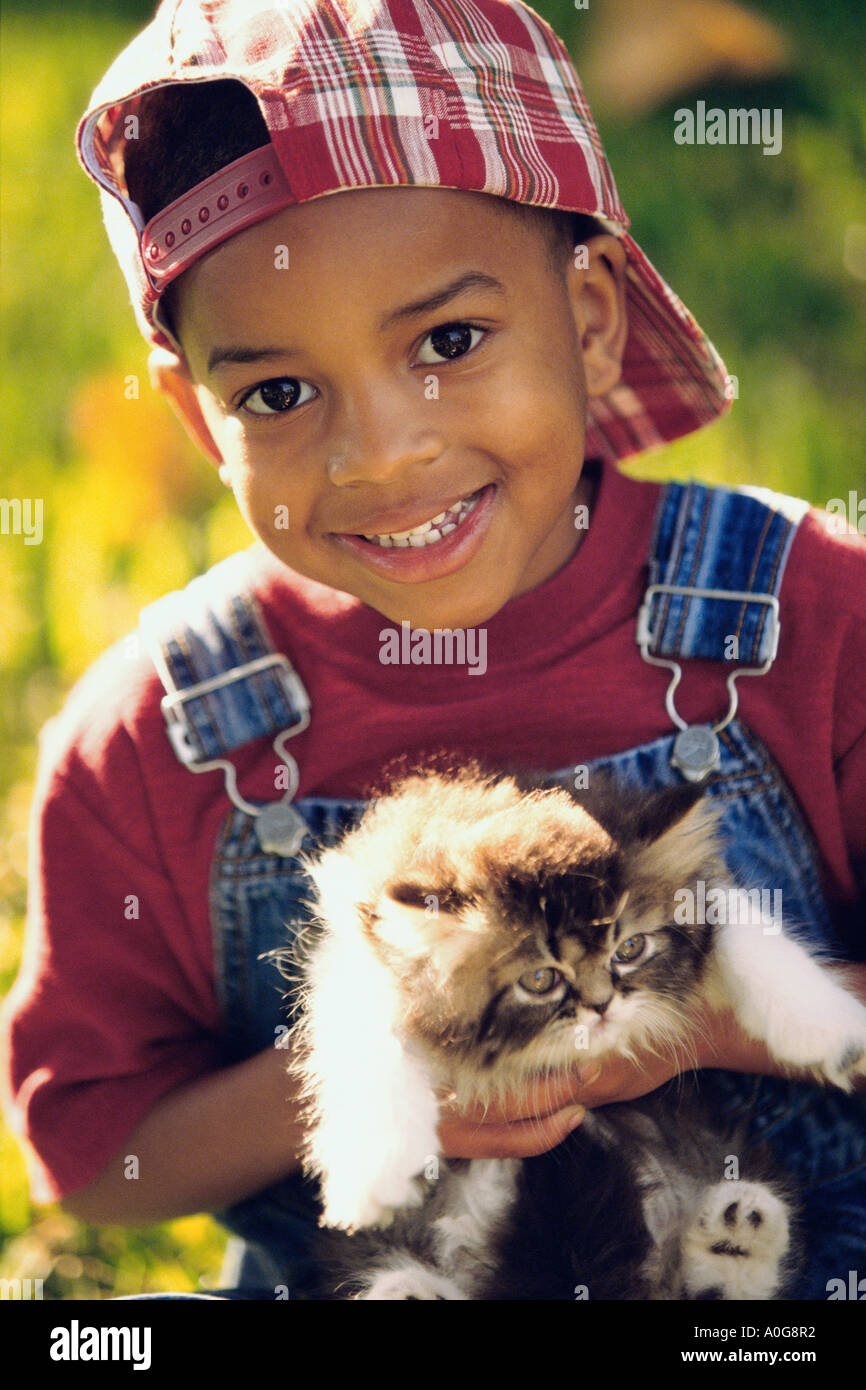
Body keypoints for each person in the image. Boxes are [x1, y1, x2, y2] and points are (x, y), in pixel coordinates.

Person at [2, 0, 864, 1301]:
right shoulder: (161, 733)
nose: (381, 453)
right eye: (277, 394)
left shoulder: (805, 618)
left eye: (449, 343)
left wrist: (714, 1015)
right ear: (194, 414)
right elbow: (96, 1161)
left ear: (586, 318)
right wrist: (377, 1069)